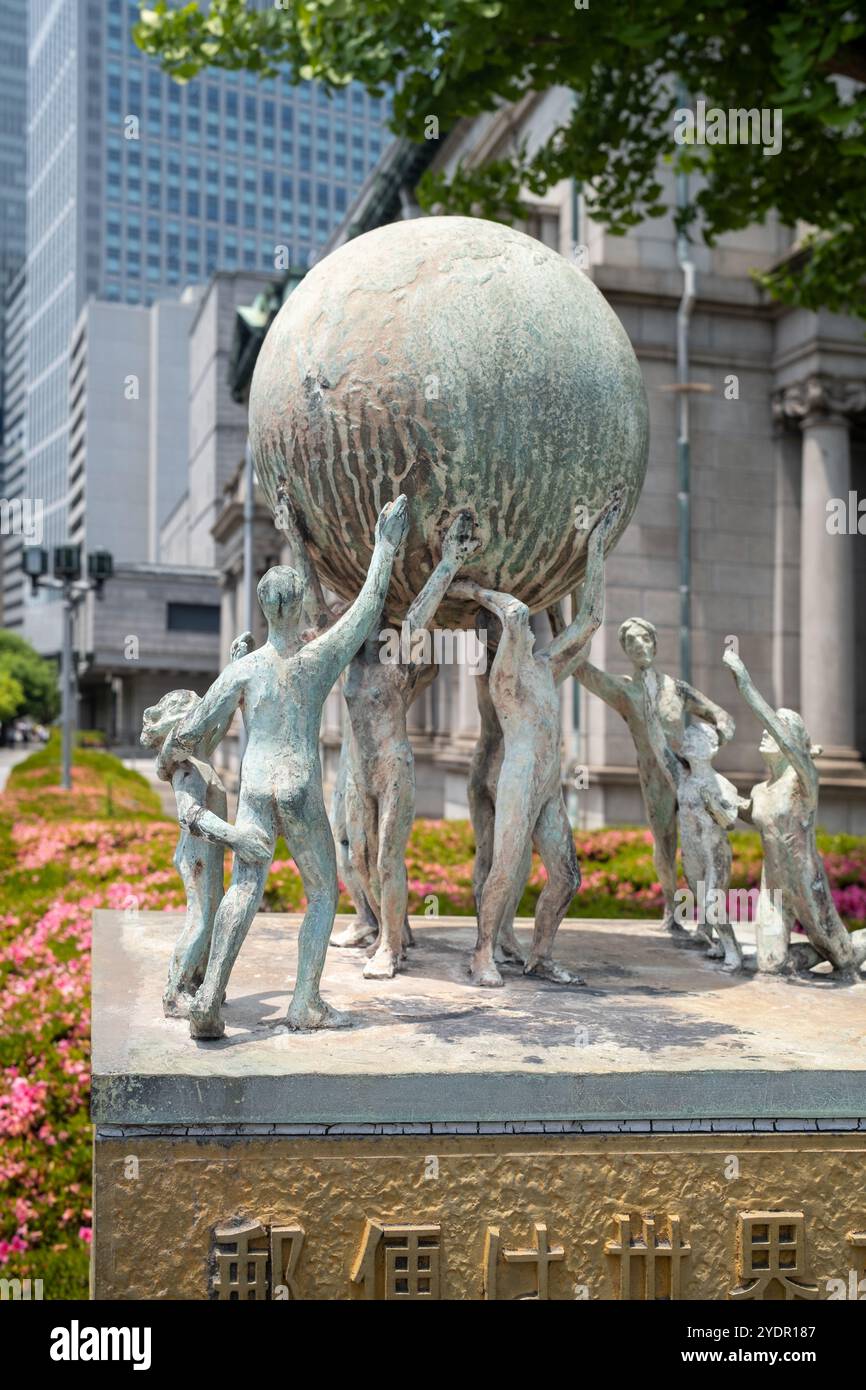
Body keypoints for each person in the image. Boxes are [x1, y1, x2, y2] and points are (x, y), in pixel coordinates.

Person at [158, 495, 410, 1036]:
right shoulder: (316, 659)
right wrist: (384, 547)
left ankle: (208, 999)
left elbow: (194, 732)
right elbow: (368, 608)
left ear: (265, 609)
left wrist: (169, 761)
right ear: (296, 609)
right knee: (321, 891)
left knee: (246, 885)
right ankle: (305, 1003)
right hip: (296, 783)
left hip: (255, 784)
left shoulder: (246, 671)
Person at [450, 493, 620, 988]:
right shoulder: (505, 677)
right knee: (505, 865)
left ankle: (541, 954)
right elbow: (519, 616)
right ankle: (482, 952)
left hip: (548, 781)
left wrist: (597, 548)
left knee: (567, 875)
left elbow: (590, 620)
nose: (523, 627)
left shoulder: (543, 667)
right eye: (512, 628)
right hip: (520, 776)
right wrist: (479, 595)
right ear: (499, 637)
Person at [574, 617, 735, 939]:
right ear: (626, 651)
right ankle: (671, 909)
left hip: (688, 775)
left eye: (644, 639)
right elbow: (583, 672)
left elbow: (720, 715)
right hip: (654, 780)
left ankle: (708, 919)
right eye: (631, 642)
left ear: (655, 644)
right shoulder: (625, 691)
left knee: (701, 844)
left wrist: (715, 741)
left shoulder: (676, 688)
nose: (639, 646)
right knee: (665, 844)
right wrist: (574, 622)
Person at [141, 633, 270, 1017]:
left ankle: (197, 982)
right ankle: (175, 989)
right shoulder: (183, 768)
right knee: (198, 925)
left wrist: (234, 668)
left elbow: (220, 719)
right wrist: (237, 839)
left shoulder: (197, 755)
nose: (204, 725)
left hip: (207, 857)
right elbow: (191, 817)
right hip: (197, 856)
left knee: (210, 921)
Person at [723, 647, 866, 981]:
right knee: (769, 965)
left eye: (780, 727)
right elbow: (752, 814)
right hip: (773, 889)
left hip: (806, 884)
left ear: (796, 746)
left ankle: (839, 945)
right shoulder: (761, 790)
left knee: (845, 958)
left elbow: (775, 729)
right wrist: (722, 798)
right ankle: (821, 949)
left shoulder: (804, 780)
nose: (767, 731)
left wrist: (743, 681)